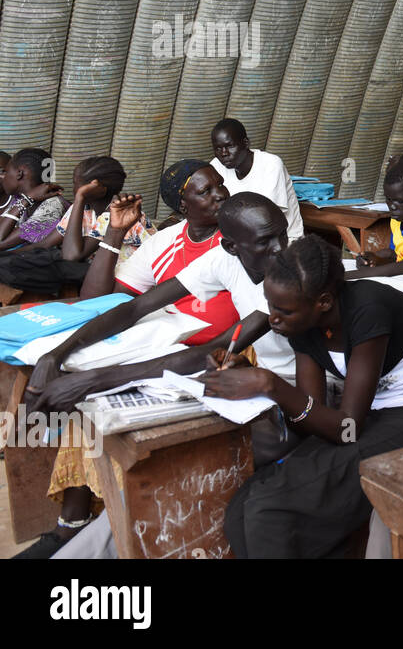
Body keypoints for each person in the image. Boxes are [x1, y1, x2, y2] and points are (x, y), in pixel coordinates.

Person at [17, 193, 295, 559]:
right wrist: (56, 355)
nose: (279, 249)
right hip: (249, 378)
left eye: (282, 234)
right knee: (103, 423)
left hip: (286, 396)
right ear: (230, 245)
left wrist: (93, 379)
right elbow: (135, 307)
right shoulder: (223, 258)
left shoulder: (293, 271)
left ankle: (89, 543)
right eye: (264, 241)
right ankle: (75, 528)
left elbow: (218, 346)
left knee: (162, 468)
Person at [202, 234, 403, 558]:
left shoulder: (369, 309)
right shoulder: (302, 322)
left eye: (283, 311)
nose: (272, 319)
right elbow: (313, 416)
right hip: (360, 416)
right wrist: (260, 384)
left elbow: (346, 430)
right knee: (243, 506)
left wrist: (270, 384)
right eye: (270, 306)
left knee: (270, 510)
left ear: (323, 302)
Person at [79, 160, 239, 347]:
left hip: (225, 353)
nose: (220, 194)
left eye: (220, 185)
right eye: (206, 191)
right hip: (163, 347)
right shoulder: (163, 242)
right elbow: (96, 302)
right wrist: (115, 232)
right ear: (183, 205)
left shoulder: (243, 235)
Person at [0, 157, 153, 294]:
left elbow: (71, 256)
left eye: (75, 183)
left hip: (126, 282)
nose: (73, 189)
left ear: (93, 187)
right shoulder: (84, 208)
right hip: (97, 273)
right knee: (27, 261)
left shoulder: (118, 211)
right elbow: (45, 243)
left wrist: (80, 198)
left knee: (52, 265)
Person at [210, 117, 304, 240]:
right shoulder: (216, 166)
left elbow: (264, 219)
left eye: (230, 146)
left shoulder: (271, 164)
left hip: (281, 242)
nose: (224, 153)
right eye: (218, 148)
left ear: (245, 143)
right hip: (241, 241)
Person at [354, 158, 403, 277]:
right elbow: (394, 254)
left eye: (400, 201)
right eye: (388, 200)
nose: (392, 206)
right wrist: (375, 258)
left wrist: (347, 276)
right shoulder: (396, 220)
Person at [0, 147, 66, 250]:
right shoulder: (20, 200)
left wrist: (27, 199)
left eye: (6, 172)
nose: (3, 178)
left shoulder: (53, 206)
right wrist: (26, 199)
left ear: (19, 174)